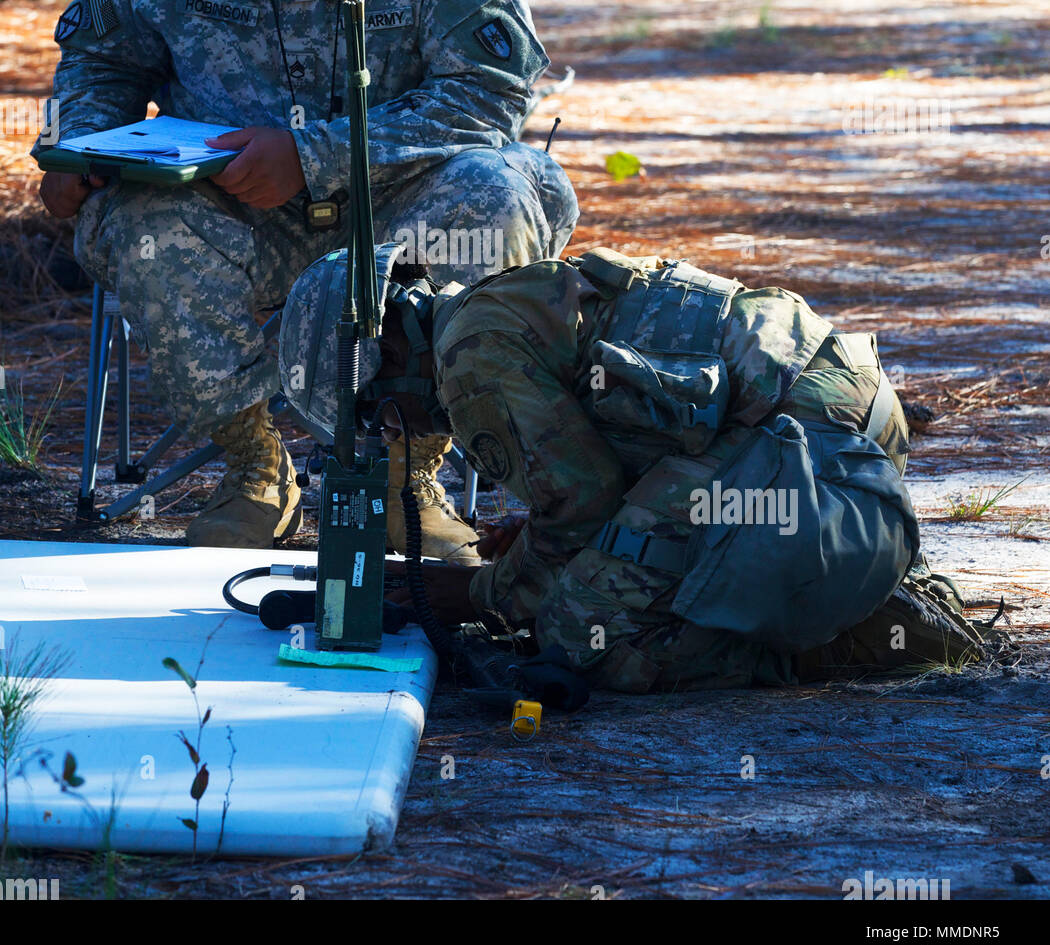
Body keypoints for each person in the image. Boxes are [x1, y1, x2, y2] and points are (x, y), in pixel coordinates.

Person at [33, 0, 577, 556]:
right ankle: (257, 470)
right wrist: (81, 147)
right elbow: (101, 59)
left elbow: (492, 96)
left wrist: (310, 154)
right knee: (141, 221)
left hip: (402, 211)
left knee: (500, 194)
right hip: (235, 211)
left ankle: (407, 474)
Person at [277, 243, 1001, 692]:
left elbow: (584, 506)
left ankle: (854, 637)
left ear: (388, 361)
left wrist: (481, 593)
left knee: (581, 635)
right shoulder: (492, 308)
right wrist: (540, 541)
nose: (393, 431)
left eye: (375, 412)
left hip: (799, 445)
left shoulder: (470, 360)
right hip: (846, 418)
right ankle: (830, 583)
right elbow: (613, 456)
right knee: (596, 573)